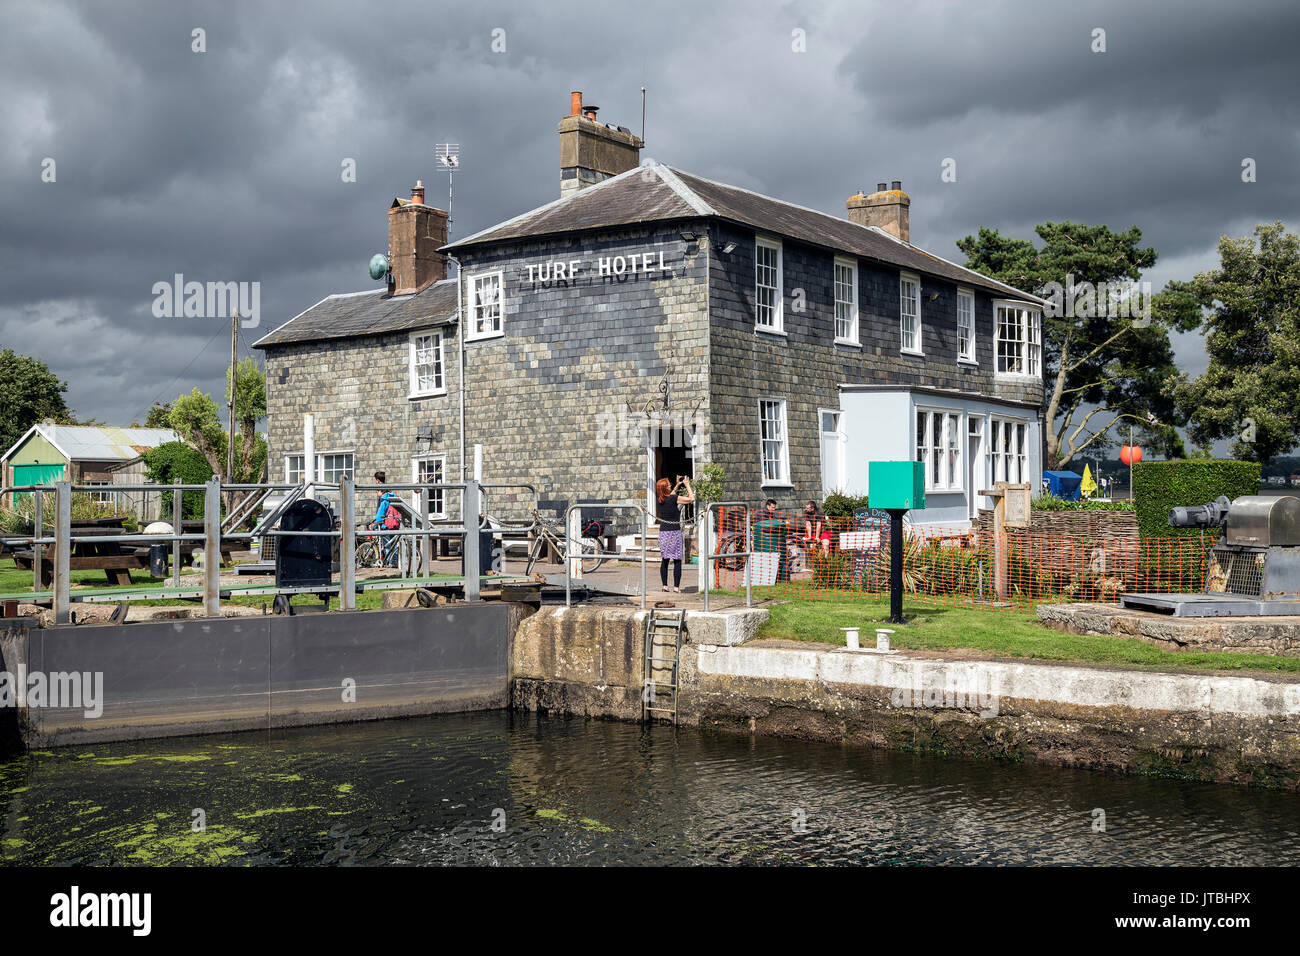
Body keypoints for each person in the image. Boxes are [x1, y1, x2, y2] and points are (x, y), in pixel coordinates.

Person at [656, 475, 694, 593]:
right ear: (665, 488)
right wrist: (687, 485)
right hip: (674, 533)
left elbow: (671, 495)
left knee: (665, 560)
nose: (670, 485)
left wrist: (678, 484)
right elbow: (691, 499)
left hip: (663, 533)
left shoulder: (660, 499)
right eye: (668, 484)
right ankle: (676, 588)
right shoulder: (674, 499)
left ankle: (665, 586)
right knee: (677, 560)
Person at [369, 471, 400, 568]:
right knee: (394, 545)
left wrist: (376, 521)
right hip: (394, 523)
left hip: (385, 524)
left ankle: (388, 564)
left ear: (377, 480)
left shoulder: (383, 499)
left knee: (386, 544)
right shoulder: (392, 494)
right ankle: (394, 563)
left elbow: (381, 512)